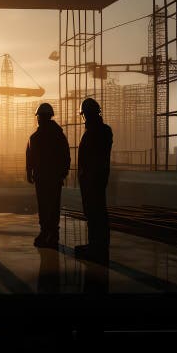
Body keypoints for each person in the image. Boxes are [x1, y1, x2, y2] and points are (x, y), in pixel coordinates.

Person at [26, 102, 70, 248]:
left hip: (43, 178)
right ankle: (51, 234)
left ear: (39, 117)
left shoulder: (35, 137)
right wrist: (63, 173)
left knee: (44, 206)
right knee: (52, 206)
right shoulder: (58, 135)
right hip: (52, 178)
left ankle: (46, 233)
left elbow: (29, 156)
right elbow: (66, 156)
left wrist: (29, 172)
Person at [75, 97, 113, 262]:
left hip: (92, 180)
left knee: (94, 213)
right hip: (98, 178)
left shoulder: (92, 133)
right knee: (97, 213)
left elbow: (90, 159)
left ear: (86, 115)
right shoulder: (104, 130)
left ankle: (96, 247)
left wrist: (85, 176)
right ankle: (98, 246)